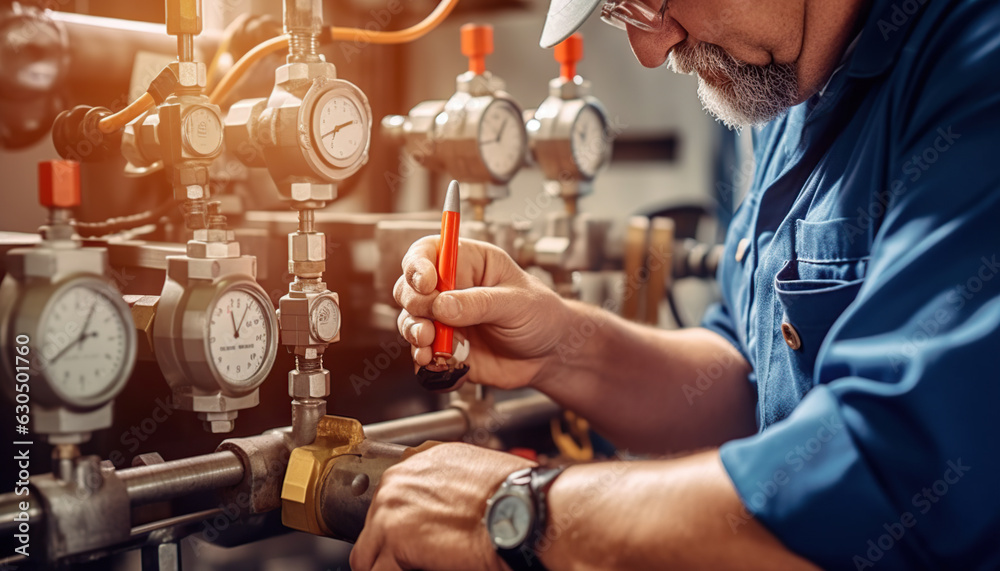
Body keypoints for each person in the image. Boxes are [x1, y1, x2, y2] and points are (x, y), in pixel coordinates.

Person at [351, 0, 1000, 568]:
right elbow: (754, 384)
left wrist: (516, 512)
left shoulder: (976, 60)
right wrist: (562, 345)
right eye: (620, 11)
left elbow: (895, 481)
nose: (649, 47)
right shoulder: (791, 82)